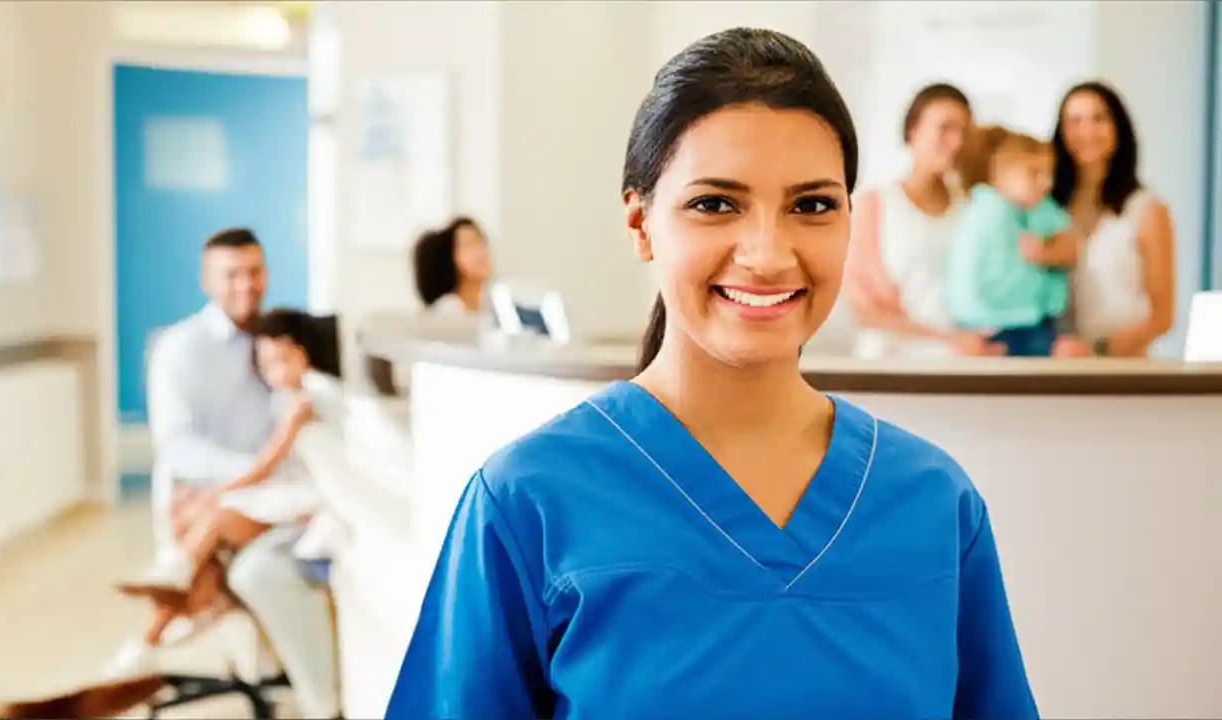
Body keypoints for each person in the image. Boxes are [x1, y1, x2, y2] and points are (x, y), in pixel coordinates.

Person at [386, 28, 1037, 719]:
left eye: (812, 205)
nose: (767, 253)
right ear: (640, 221)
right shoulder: (529, 502)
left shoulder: (933, 505)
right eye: (715, 204)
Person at [117, 228, 339, 719]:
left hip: (253, 501)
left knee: (229, 543)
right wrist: (248, 479)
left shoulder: (278, 339)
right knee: (226, 530)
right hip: (209, 499)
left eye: (255, 272)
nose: (246, 285)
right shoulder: (181, 348)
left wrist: (255, 482)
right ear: (206, 280)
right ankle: (151, 637)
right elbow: (177, 446)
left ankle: (146, 640)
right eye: (232, 274)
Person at [843, 83, 1006, 359]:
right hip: (889, 364)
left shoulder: (974, 207)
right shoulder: (872, 206)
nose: (956, 142)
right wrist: (947, 339)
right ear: (912, 131)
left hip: (960, 367)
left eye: (963, 131)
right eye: (945, 128)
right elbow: (863, 309)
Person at [1049, 81, 1176, 357]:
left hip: (1123, 373)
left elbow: (1162, 316)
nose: (1087, 131)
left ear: (1118, 129)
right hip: (1057, 370)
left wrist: (1096, 350)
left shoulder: (1146, 209)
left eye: (1099, 118)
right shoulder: (1050, 210)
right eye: (1075, 120)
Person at [945, 126, 1080, 357]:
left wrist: (1045, 253)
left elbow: (1069, 248)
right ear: (1001, 175)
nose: (1046, 183)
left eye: (1049, 173)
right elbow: (963, 271)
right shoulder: (982, 212)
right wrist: (969, 320)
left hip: (1036, 322)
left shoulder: (1043, 209)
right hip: (988, 325)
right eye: (1034, 173)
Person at [411, 216, 492, 314]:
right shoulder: (448, 310)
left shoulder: (493, 304)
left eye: (480, 242)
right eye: (469, 245)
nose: (481, 252)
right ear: (451, 260)